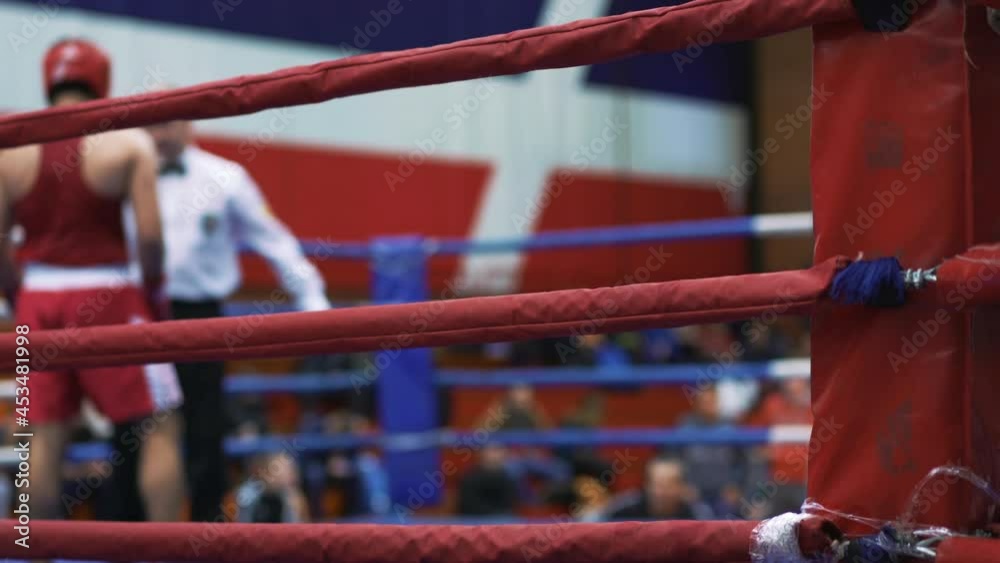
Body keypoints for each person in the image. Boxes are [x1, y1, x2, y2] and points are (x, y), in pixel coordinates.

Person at [108, 111, 331, 522]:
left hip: (201, 320)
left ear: (188, 123)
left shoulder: (225, 177)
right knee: (131, 431)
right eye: (150, 123)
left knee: (206, 432)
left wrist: (312, 299)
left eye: (166, 121)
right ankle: (129, 541)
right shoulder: (121, 177)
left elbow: (274, 239)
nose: (158, 131)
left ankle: (204, 541)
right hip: (136, 315)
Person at [0, 38, 184, 522]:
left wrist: (20, 296)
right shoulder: (126, 142)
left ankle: (30, 554)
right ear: (101, 80)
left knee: (41, 434)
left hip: (37, 299)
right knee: (158, 425)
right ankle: (165, 556)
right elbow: (150, 239)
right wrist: (153, 293)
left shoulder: (11, 146)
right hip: (110, 295)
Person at [606, 457, 711, 521]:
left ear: (682, 487)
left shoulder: (697, 514)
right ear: (646, 485)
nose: (663, 492)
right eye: (658, 484)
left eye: (670, 484)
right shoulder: (622, 509)